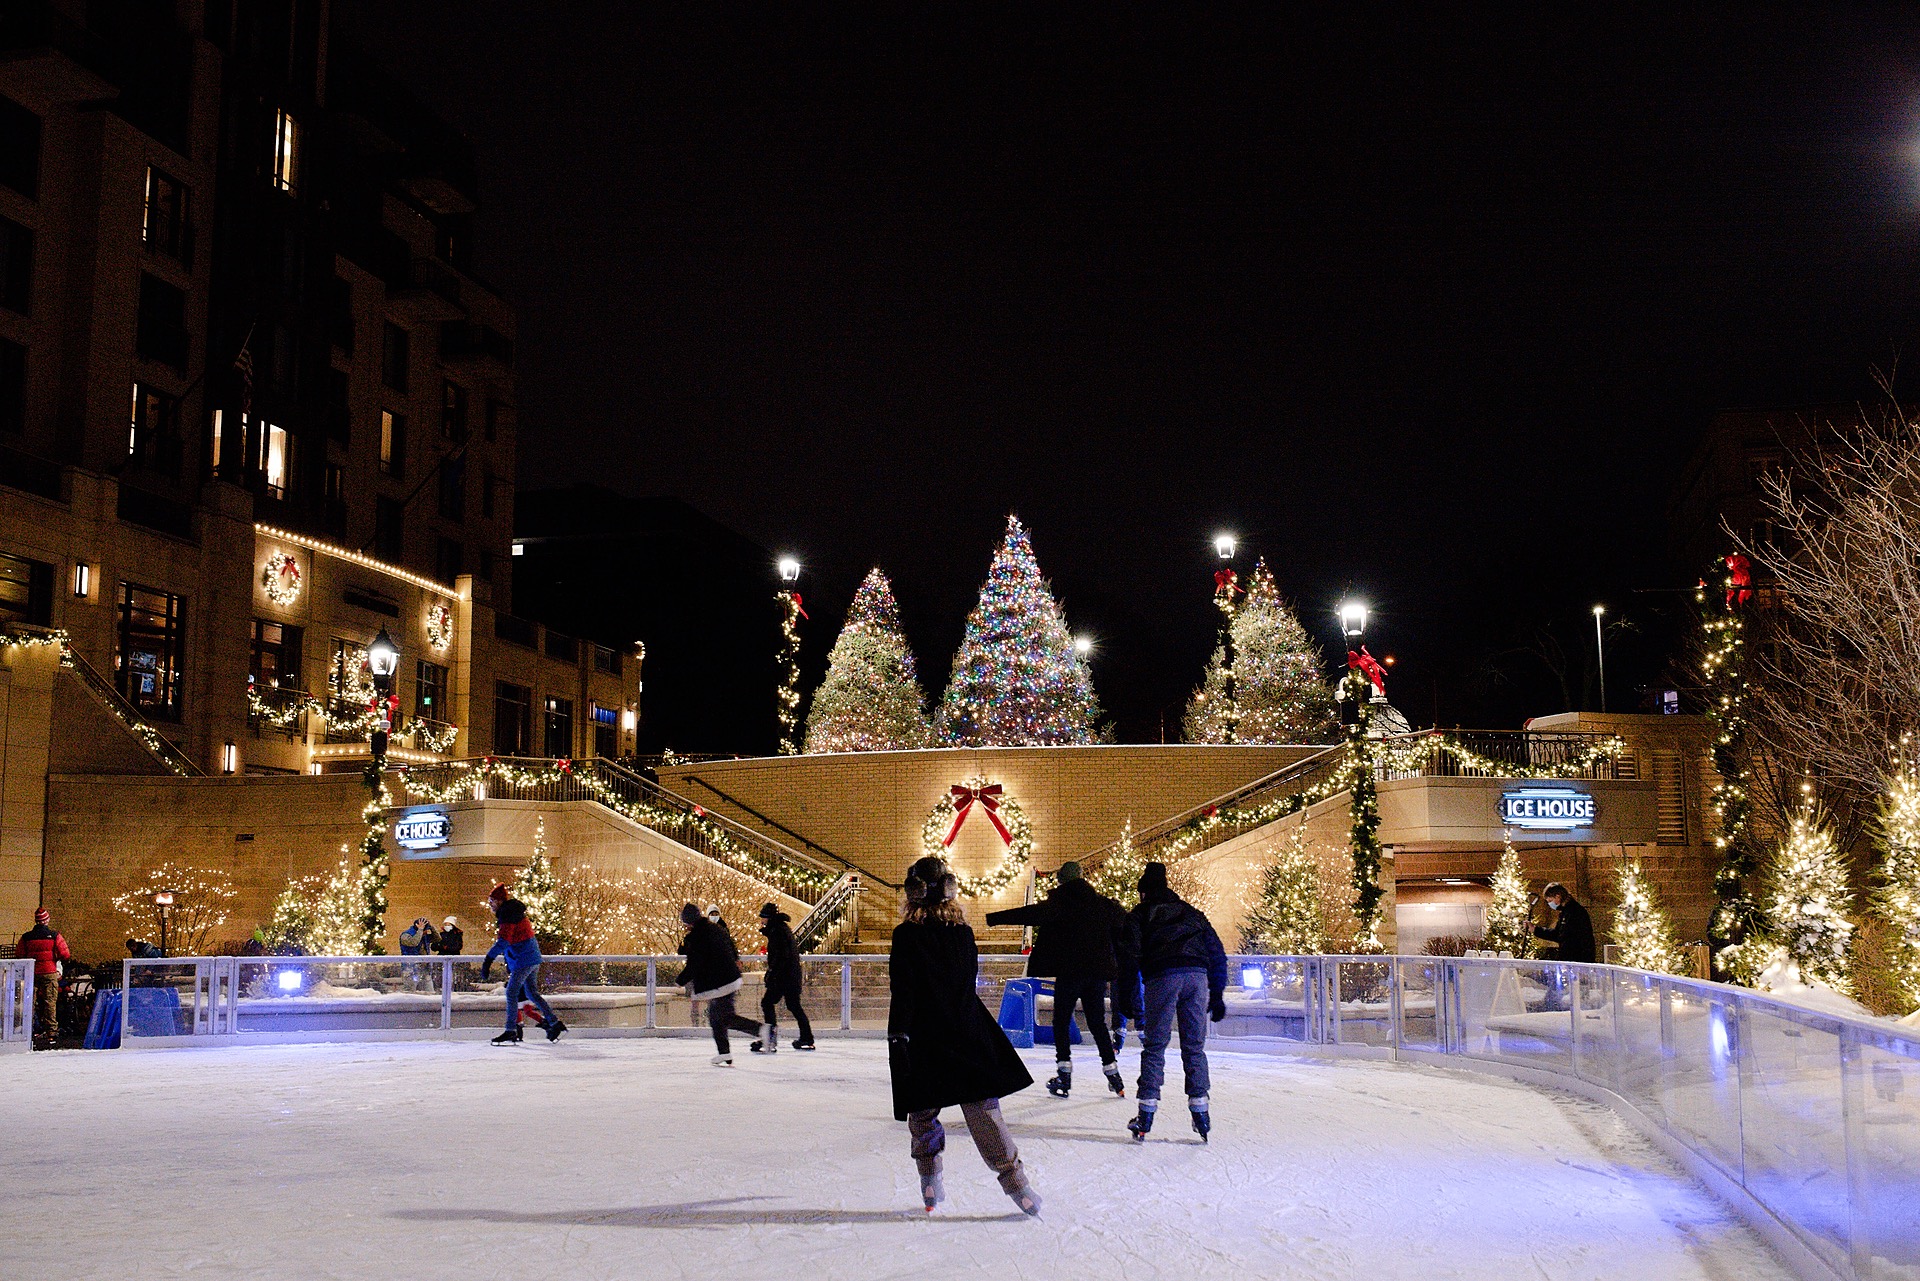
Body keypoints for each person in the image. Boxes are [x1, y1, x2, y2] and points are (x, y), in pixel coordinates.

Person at [889, 856, 1040, 1217]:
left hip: (924, 1034)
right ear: (948, 890)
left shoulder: (906, 935)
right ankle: (1020, 1188)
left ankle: (930, 1182)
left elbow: (904, 991)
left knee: (923, 1110)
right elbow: (965, 981)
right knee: (984, 1111)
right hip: (965, 1029)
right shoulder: (962, 933)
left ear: (915, 893)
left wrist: (898, 1036)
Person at [986, 860, 1129, 1098]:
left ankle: (1064, 1075)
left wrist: (994, 918)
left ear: (1062, 880)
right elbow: (1124, 922)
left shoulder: (1060, 904)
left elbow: (1030, 913)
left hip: (1070, 973)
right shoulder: (1102, 904)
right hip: (1096, 974)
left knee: (1060, 1021)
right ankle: (1114, 1075)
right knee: (1097, 1024)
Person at [1116, 861, 1227, 1143]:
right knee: (1194, 1047)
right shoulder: (1192, 913)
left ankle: (1146, 1113)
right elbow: (1217, 952)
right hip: (1197, 977)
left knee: (1155, 1046)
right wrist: (1216, 994)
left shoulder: (1139, 916)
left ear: (1143, 892)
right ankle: (1201, 1111)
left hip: (1163, 977)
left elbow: (1128, 959)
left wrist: (1128, 997)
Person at [674, 902, 766, 1065]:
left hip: (720, 983)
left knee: (724, 1018)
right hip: (727, 979)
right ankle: (725, 1053)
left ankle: (761, 1030)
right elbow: (729, 947)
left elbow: (695, 963)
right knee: (717, 1018)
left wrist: (680, 980)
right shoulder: (715, 929)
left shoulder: (698, 937)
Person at [481, 884, 566, 1044]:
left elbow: (503, 942)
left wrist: (488, 960)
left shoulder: (508, 916)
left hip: (524, 960)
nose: (490, 904)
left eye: (492, 901)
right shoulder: (513, 913)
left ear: (499, 901)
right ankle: (554, 1023)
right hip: (531, 958)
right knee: (532, 993)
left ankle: (511, 1030)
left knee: (511, 993)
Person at [751, 902, 814, 1053]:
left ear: (769, 918)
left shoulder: (777, 932)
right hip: (789, 976)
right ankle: (806, 1037)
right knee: (793, 1006)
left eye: (764, 918)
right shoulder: (780, 929)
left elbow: (781, 957)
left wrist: (772, 974)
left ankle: (770, 1039)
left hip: (783, 977)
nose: (762, 921)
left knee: (767, 1003)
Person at [17, 907, 70, 1050]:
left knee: (29, 1003)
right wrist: (54, 960)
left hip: (31, 973)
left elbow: (19, 954)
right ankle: (51, 1032)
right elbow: (65, 954)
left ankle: (29, 1029)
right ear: (47, 920)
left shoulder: (26, 937)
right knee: (50, 1002)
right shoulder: (54, 936)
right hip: (49, 972)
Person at [1532, 882, 1597, 964]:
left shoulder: (1575, 912)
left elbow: (1564, 936)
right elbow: (1558, 933)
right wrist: (1535, 930)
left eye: (1550, 900)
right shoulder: (1565, 912)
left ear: (1558, 897)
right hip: (1571, 959)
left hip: (1578, 959)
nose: (1550, 904)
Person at [398, 916, 439, 991]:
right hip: (411, 969)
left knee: (429, 991)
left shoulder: (424, 936)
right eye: (425, 930)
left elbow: (437, 939)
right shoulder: (406, 935)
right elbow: (414, 942)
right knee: (410, 991)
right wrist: (420, 930)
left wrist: (432, 928)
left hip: (424, 968)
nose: (426, 932)